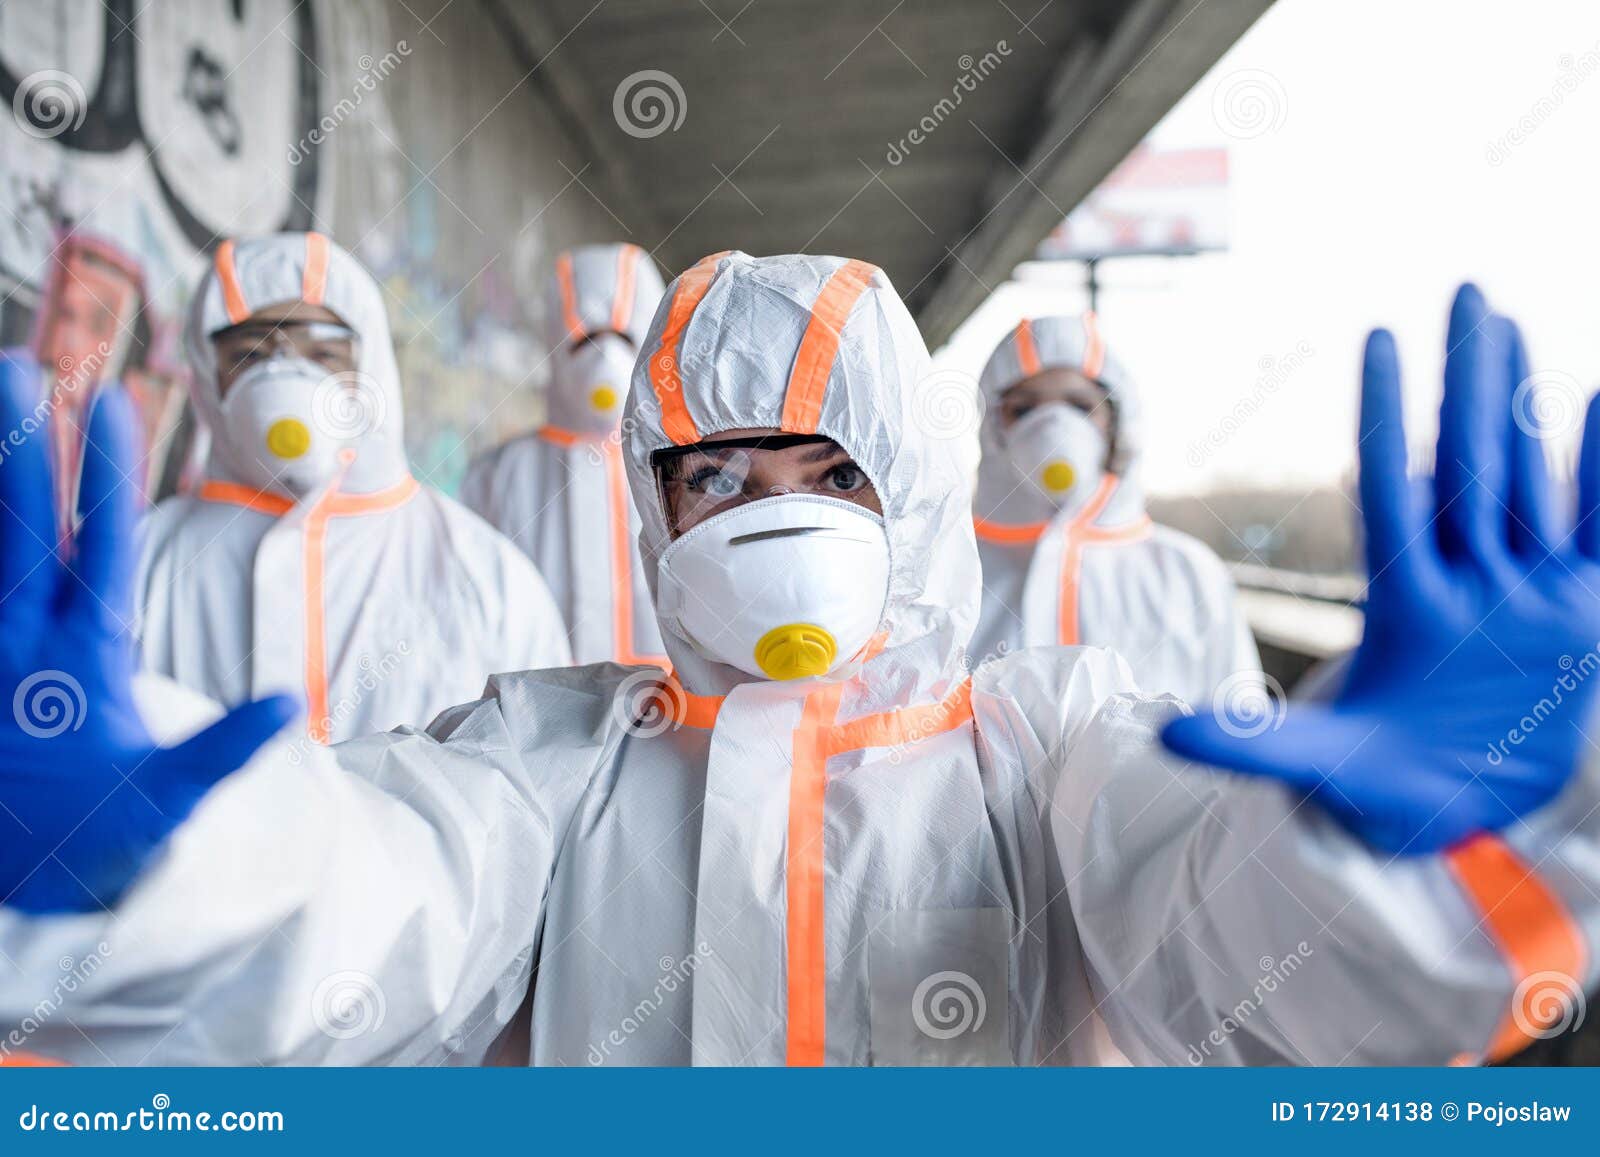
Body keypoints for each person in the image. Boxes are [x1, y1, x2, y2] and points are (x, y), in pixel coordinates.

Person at [0, 259, 1596, 1069]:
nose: (776, 519)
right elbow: (385, 876)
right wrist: (168, 866)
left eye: (833, 476)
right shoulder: (564, 751)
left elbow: (1225, 949)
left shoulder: (1049, 736)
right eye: (720, 476)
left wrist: (1420, 858)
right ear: (655, 502)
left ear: (910, 485)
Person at [134, 232, 570, 745]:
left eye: (321, 355)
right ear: (209, 378)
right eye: (250, 357)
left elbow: (543, 785)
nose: (285, 380)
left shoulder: (489, 581)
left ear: (372, 367)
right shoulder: (144, 559)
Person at [970, 313, 1260, 705]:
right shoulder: (950, 568)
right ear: (993, 427)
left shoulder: (1187, 573)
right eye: (1024, 409)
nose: (1053, 426)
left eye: (1081, 405)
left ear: (1116, 423)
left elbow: (1240, 720)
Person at [461, 243, 668, 665]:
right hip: (537, 709)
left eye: (625, 338)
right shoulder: (498, 475)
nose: (606, 359)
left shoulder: (677, 466)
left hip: (669, 708)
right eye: (585, 340)